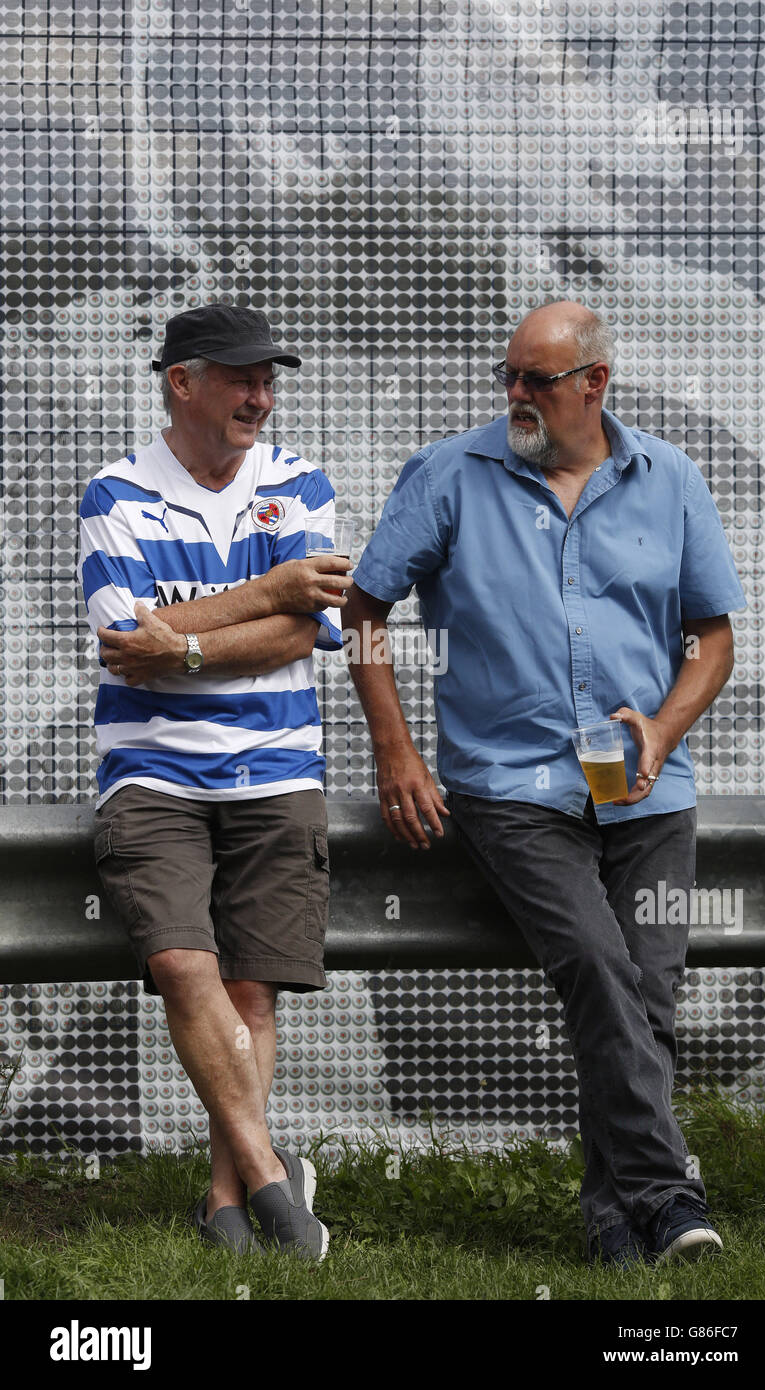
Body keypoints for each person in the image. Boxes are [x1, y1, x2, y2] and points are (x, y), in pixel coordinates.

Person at [344, 300, 747, 1268]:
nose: (514, 395)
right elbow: (361, 612)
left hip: (646, 789)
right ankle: (668, 1193)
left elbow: (714, 638)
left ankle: (613, 1221)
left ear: (592, 384)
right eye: (508, 377)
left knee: (646, 995)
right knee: (598, 969)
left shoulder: (669, 479)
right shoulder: (450, 473)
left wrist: (659, 726)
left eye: (535, 379)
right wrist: (393, 750)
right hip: (509, 789)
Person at [78, 303, 353, 1259]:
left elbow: (305, 630)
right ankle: (277, 1179)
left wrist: (189, 639)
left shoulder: (301, 481)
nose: (260, 396)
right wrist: (267, 594)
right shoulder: (112, 492)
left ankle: (225, 1205)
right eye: (240, 378)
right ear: (181, 382)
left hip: (277, 769)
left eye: (269, 379)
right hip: (151, 773)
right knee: (180, 964)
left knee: (253, 993)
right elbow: (126, 649)